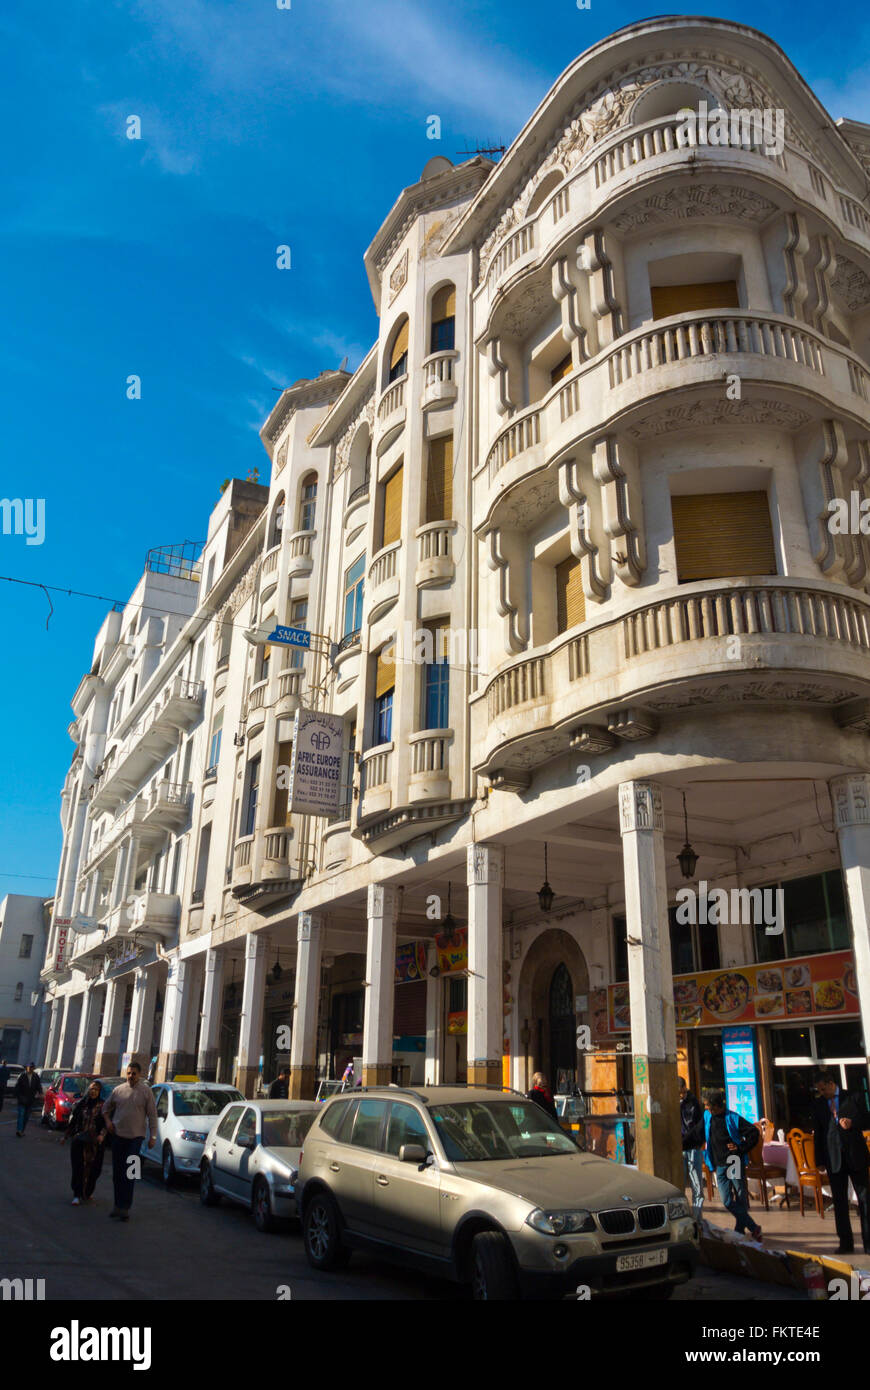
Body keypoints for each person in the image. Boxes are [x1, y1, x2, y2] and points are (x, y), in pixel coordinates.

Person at [812, 1070, 870, 1255]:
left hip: (855, 1155)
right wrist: (819, 1160)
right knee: (839, 1201)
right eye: (819, 1090)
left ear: (831, 1084)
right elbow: (818, 1133)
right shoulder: (819, 1104)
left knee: (865, 1199)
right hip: (833, 1158)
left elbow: (867, 1119)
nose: (822, 1093)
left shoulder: (853, 1097)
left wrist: (853, 1123)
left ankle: (869, 1242)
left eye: (823, 1089)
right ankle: (846, 1243)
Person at [698, 1091, 762, 1241]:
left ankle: (740, 1230)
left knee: (740, 1196)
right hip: (719, 1164)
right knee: (727, 1200)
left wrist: (741, 1148)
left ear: (716, 1106)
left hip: (733, 1160)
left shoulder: (732, 1118)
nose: (706, 1108)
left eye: (708, 1106)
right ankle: (753, 1227)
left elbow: (753, 1132)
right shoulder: (707, 1116)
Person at [101, 1062, 158, 1221]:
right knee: (118, 1174)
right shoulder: (118, 1091)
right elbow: (105, 1109)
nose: (131, 1076)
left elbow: (152, 1116)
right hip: (119, 1137)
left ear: (139, 1074)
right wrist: (108, 1122)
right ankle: (117, 1206)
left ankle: (126, 1207)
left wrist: (153, 1137)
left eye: (134, 1073)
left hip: (136, 1139)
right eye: (129, 1073)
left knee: (130, 1173)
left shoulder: (146, 1092)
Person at [63, 1080, 108, 1205]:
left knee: (94, 1169)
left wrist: (101, 1136)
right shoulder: (81, 1104)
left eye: (96, 1089)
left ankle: (87, 1192)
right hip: (80, 1141)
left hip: (95, 1143)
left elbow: (106, 1123)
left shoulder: (103, 1106)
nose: (93, 1091)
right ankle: (77, 1194)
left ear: (100, 1092)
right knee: (78, 1167)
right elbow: (73, 1122)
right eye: (92, 1088)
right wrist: (66, 1136)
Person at [679, 1077, 705, 1223]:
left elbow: (694, 1126)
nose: (680, 1096)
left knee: (696, 1186)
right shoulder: (676, 1102)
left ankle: (697, 1219)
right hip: (680, 1148)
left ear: (684, 1088)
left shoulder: (692, 1103)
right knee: (680, 1184)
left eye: (681, 1093)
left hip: (692, 1147)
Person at [13, 1062, 42, 1136]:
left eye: (32, 1067)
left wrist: (40, 1093)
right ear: (27, 1068)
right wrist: (18, 1097)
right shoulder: (22, 1076)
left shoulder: (35, 1076)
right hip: (22, 1099)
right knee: (21, 1115)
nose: (30, 1069)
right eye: (29, 1067)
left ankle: (22, 1131)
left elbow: (38, 1086)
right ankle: (19, 1130)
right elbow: (17, 1087)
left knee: (26, 1117)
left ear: (33, 1068)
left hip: (30, 1100)